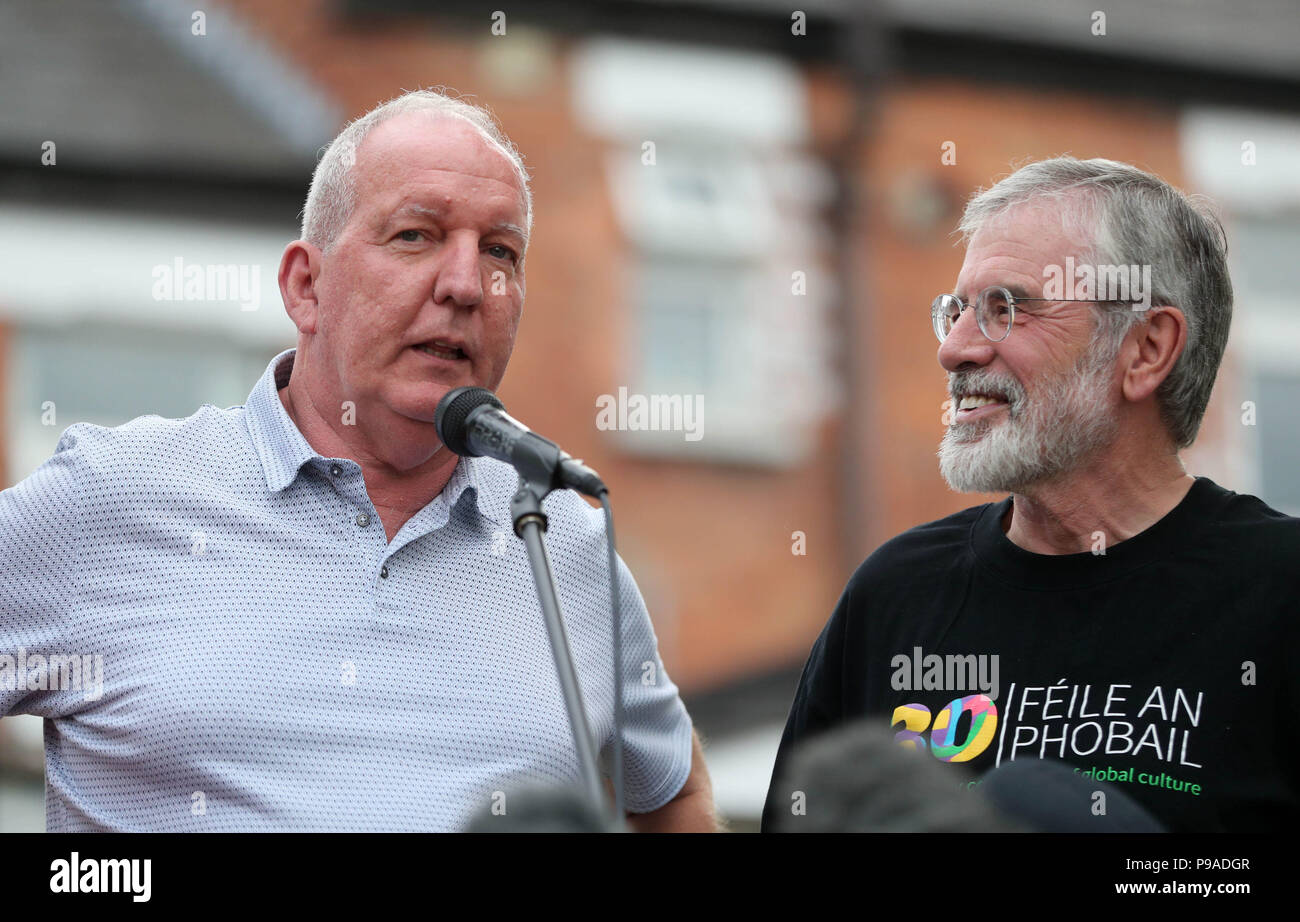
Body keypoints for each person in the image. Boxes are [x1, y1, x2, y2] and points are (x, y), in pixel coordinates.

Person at [0, 89, 715, 832]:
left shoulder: (557, 539)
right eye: (416, 235)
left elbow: (673, 789)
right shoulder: (118, 496)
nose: (466, 285)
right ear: (306, 287)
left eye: (500, 250)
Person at [763, 157, 1300, 833]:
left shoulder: (1280, 591)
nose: (955, 349)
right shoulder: (896, 593)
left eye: (1006, 309)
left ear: (1147, 349)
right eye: (957, 311)